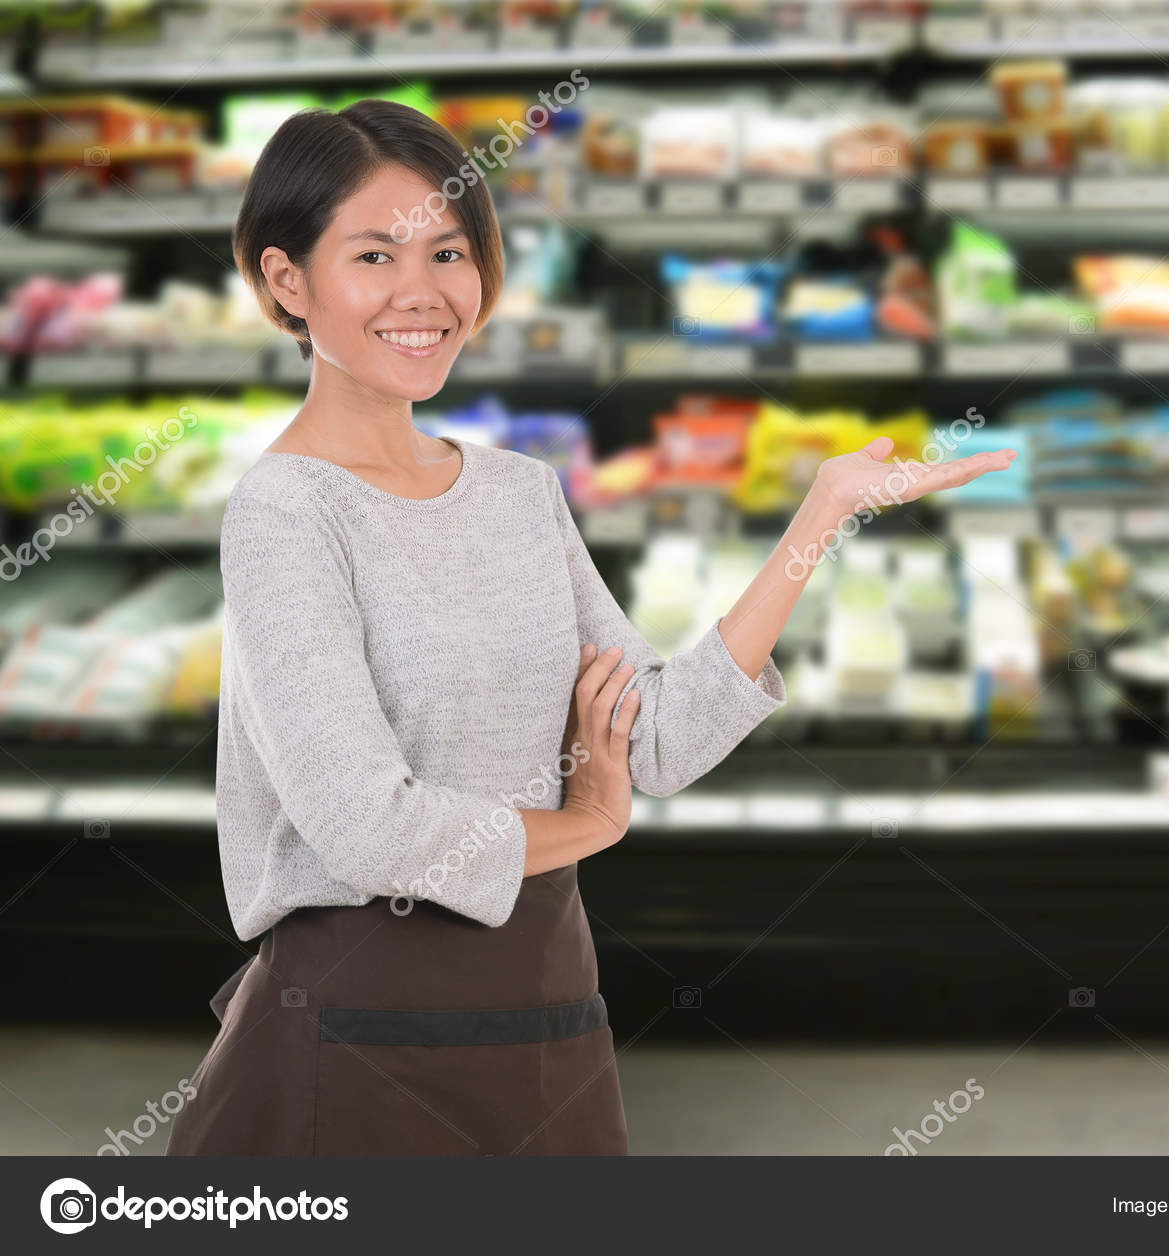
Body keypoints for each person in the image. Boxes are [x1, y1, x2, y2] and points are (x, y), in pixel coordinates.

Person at [165, 98, 1015, 1156]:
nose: (421, 291)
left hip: (544, 1008)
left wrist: (820, 516)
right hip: (357, 1025)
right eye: (374, 254)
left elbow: (653, 734)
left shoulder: (518, 491)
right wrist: (584, 826)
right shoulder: (287, 509)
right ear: (286, 280)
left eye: (449, 250)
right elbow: (365, 823)